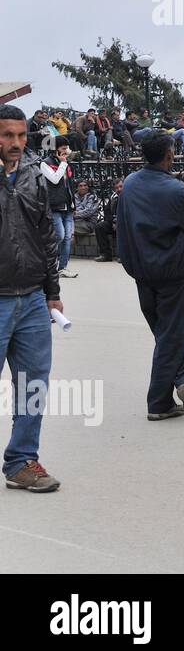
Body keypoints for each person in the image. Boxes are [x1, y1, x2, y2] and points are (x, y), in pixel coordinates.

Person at [115, 133, 184, 420]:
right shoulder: (176, 189)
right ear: (168, 155)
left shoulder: (129, 184)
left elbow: (122, 226)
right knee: (172, 333)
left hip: (141, 270)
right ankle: (161, 400)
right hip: (173, 271)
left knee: (168, 332)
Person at [0, 105, 64, 491]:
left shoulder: (34, 177)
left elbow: (47, 237)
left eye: (22, 136)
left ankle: (22, 461)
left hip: (33, 301)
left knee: (34, 385)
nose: (16, 144)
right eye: (8, 135)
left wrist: (52, 292)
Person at [39, 138, 76, 278]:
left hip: (67, 206)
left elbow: (69, 185)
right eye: (63, 148)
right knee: (59, 235)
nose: (66, 151)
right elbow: (54, 180)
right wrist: (62, 164)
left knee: (67, 238)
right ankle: (48, 263)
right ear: (56, 150)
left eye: (67, 148)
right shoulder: (45, 163)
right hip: (54, 206)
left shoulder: (66, 163)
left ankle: (62, 267)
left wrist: (74, 204)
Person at [92, 179, 123, 262]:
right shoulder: (113, 197)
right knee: (99, 227)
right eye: (116, 188)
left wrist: (117, 222)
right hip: (113, 223)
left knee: (121, 228)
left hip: (124, 223)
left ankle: (122, 256)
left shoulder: (128, 197)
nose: (119, 189)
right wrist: (113, 222)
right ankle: (105, 255)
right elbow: (107, 212)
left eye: (121, 187)